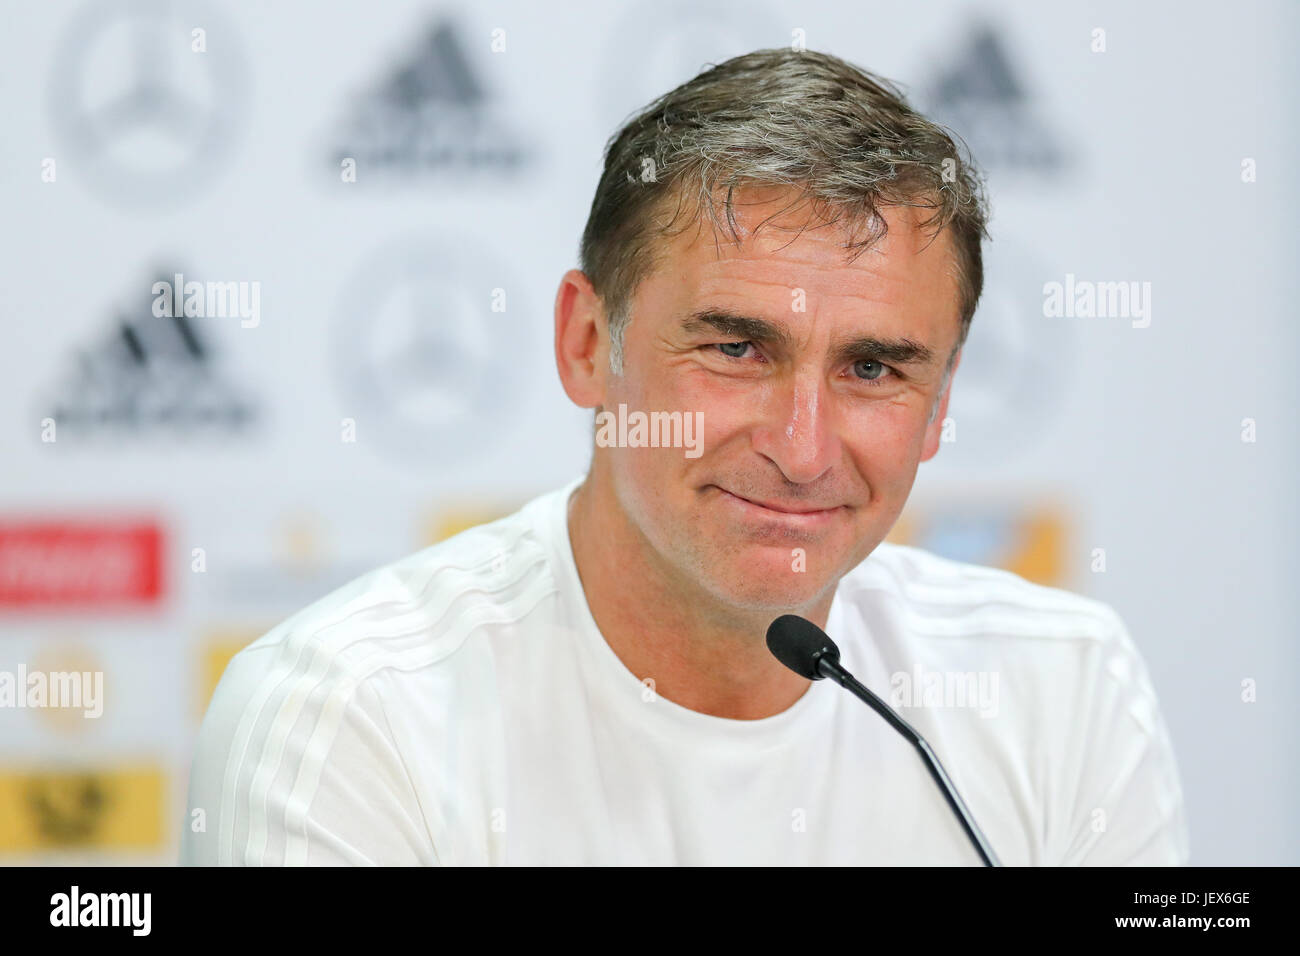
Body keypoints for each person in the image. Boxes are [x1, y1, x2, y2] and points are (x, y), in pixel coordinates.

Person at [182, 48, 1189, 865]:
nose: (801, 449)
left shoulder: (1062, 685)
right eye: (735, 348)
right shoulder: (353, 718)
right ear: (588, 343)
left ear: (939, 406)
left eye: (874, 367)